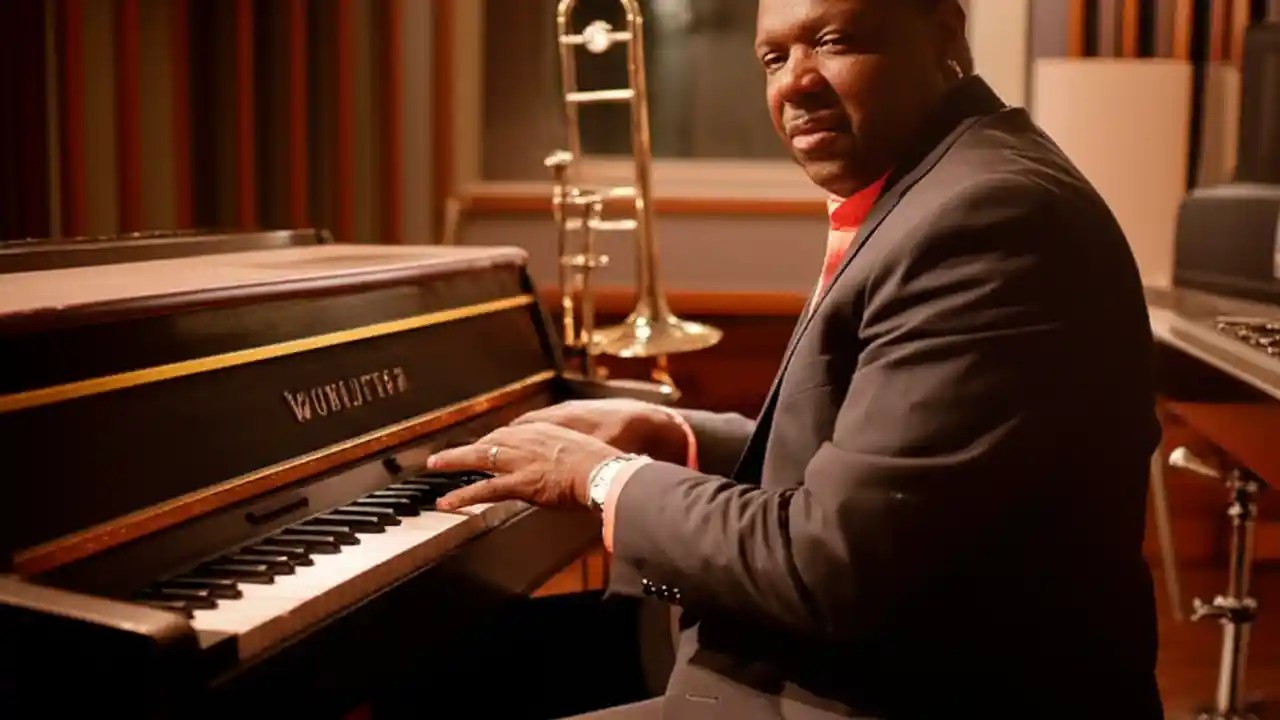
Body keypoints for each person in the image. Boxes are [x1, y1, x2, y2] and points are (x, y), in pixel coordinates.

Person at [422, 0, 1164, 717]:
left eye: (833, 42)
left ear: (945, 32)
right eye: (773, 58)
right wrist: (674, 437)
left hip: (898, 691)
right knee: (437, 666)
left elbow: (828, 563)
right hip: (855, 660)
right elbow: (883, 474)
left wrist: (601, 478)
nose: (794, 84)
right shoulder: (937, 185)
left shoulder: (987, 220)